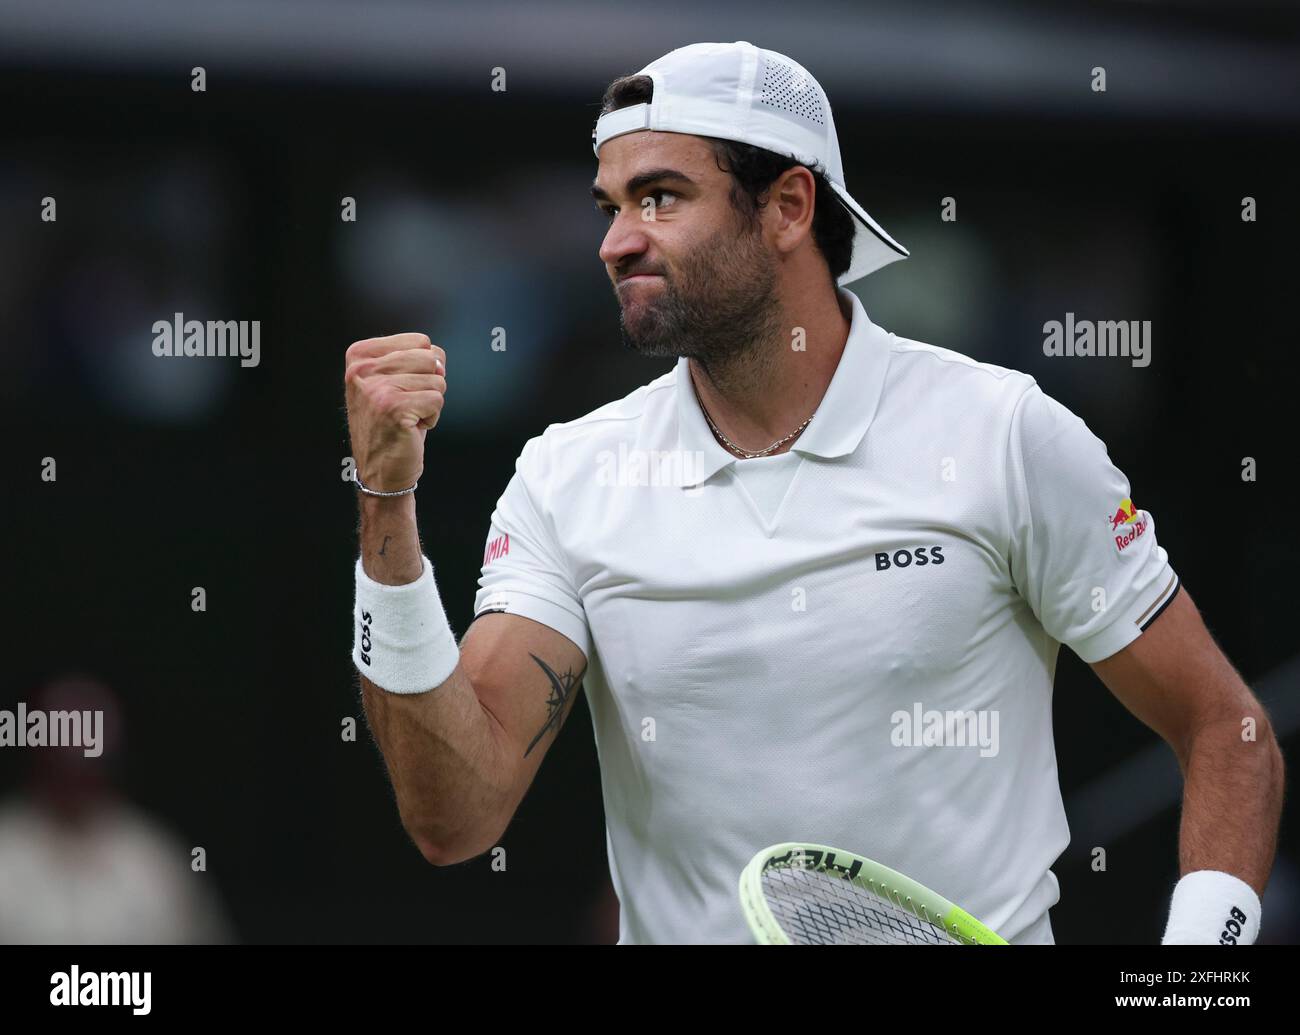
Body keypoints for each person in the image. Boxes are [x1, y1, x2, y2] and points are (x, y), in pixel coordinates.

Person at [343, 41, 1283, 944]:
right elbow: (454, 816)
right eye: (610, 207)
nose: (617, 242)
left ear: (789, 206)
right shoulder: (568, 476)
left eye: (661, 198)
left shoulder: (1004, 435)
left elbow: (1228, 731)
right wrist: (388, 504)